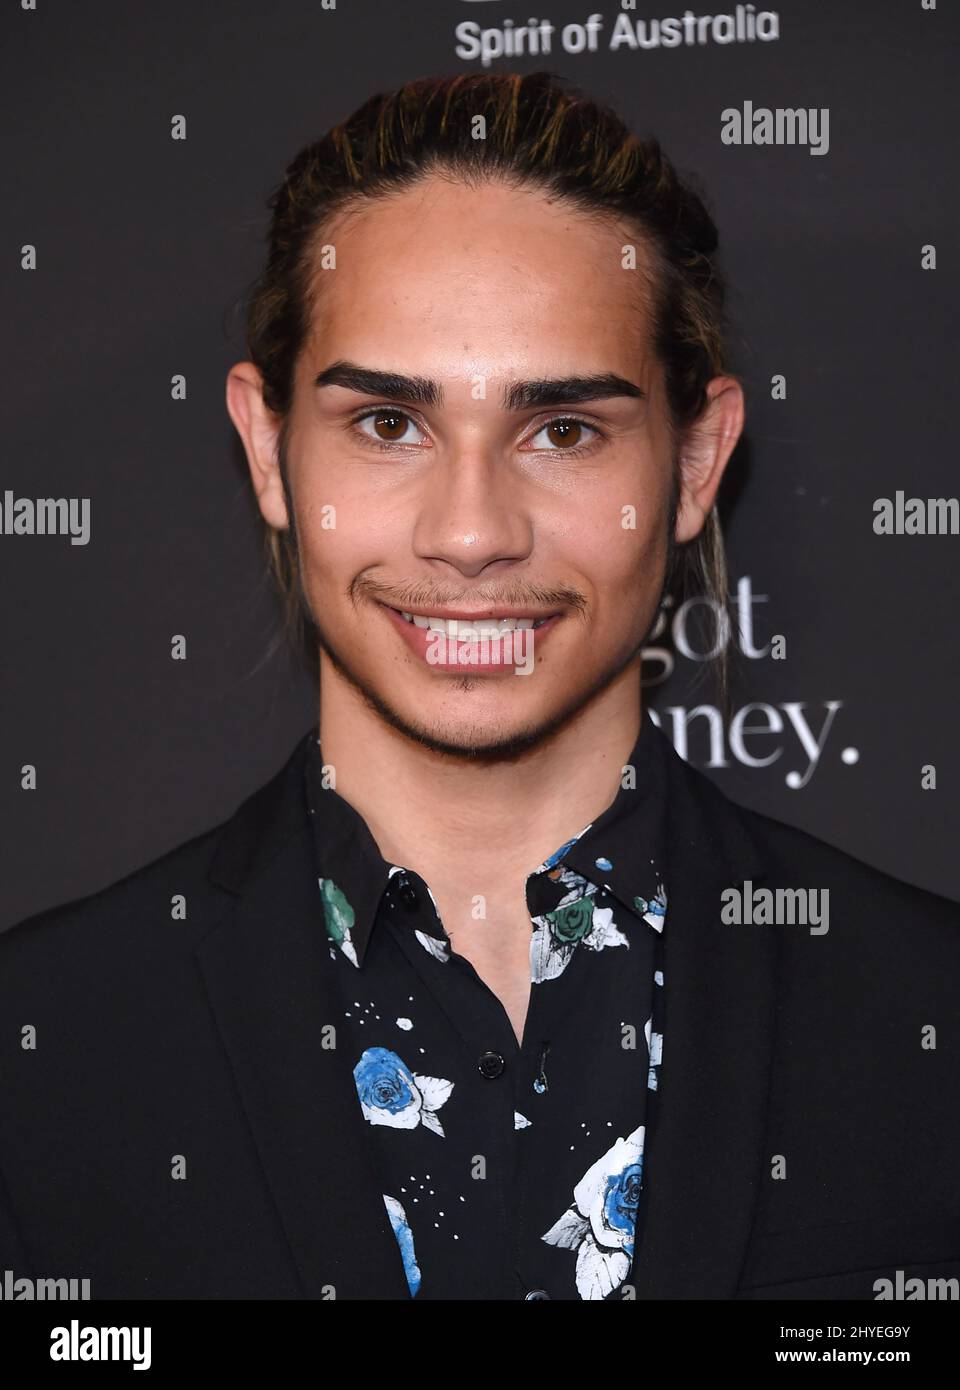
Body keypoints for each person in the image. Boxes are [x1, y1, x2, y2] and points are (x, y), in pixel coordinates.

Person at [2, 71, 958, 1303]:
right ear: (267, 449)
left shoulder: (923, 1021)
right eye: (388, 424)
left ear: (697, 462)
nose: (469, 534)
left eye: (562, 428)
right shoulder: (47, 1048)